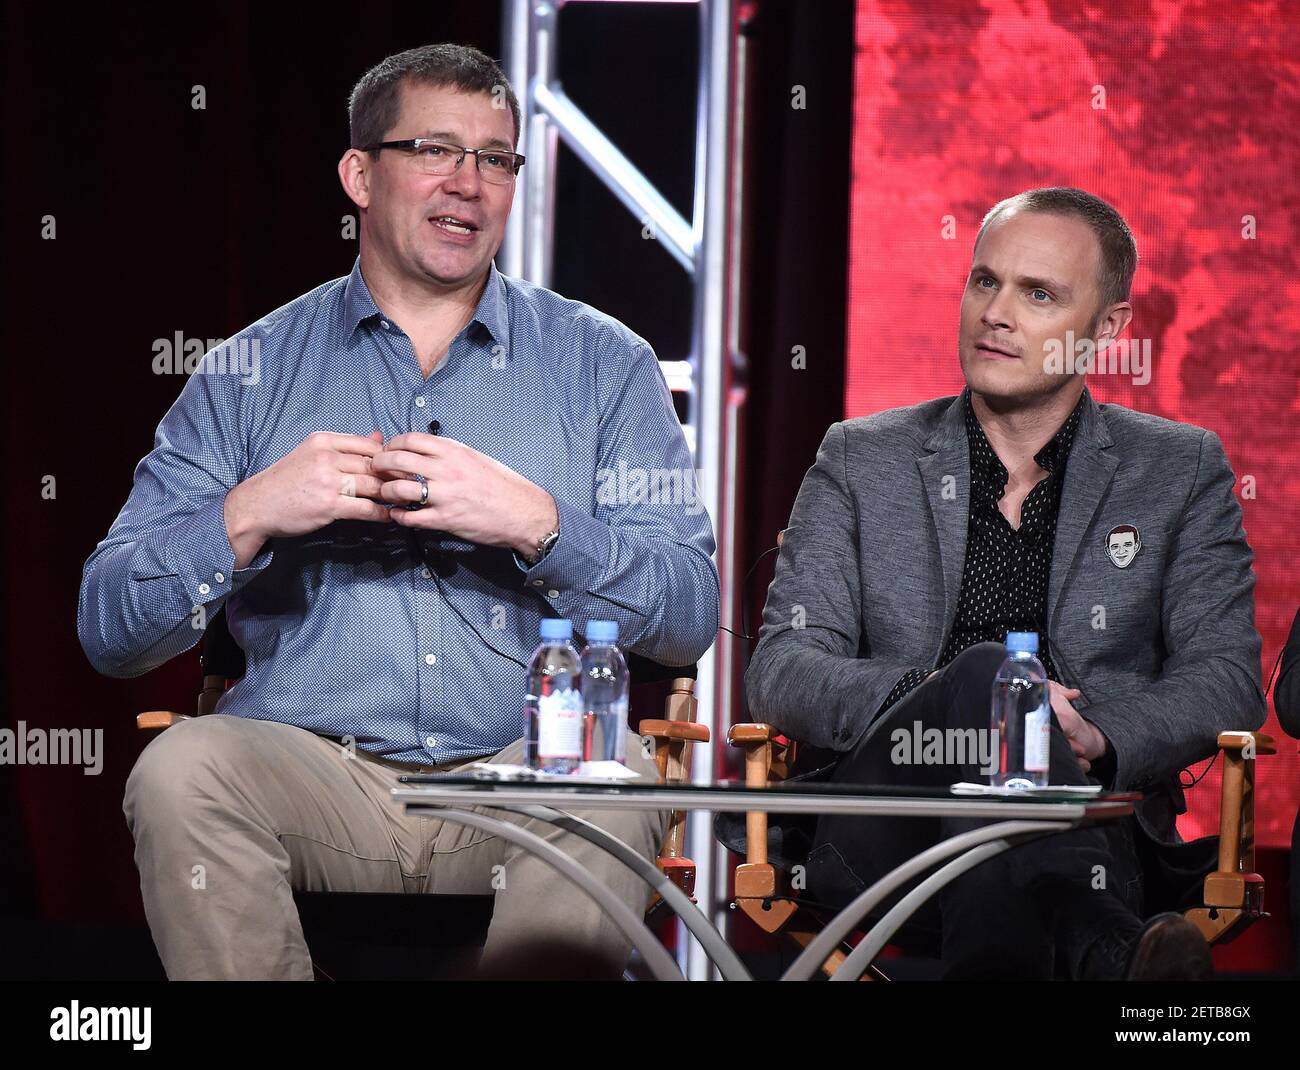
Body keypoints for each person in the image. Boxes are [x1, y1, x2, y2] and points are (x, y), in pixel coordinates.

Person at [78, 43, 718, 980]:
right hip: (312, 775)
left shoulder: (602, 363)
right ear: (359, 175)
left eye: (496, 158)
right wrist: (249, 512)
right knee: (181, 770)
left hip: (521, 775)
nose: (469, 182)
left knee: (608, 774)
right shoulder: (250, 372)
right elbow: (108, 629)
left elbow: (690, 614)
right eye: (434, 149)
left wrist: (542, 525)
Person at [746, 187, 1265, 979]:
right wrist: (962, 695)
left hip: (1100, 829)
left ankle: (1088, 927)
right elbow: (782, 670)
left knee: (999, 849)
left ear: (1107, 331)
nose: (996, 312)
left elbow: (1227, 680)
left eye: (1039, 293)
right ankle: (1110, 950)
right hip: (888, 834)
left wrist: (1092, 734)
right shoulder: (860, 459)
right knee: (996, 679)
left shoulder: (1178, 469)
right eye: (984, 281)